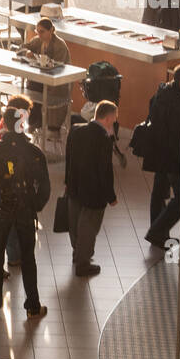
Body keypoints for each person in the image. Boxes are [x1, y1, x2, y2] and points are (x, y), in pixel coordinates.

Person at [0, 105, 51, 318]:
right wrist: (34, 204)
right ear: (23, 123)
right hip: (26, 211)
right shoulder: (34, 152)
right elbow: (44, 187)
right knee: (28, 258)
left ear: (6, 123)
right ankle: (33, 306)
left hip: (2, 211)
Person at [141, 63, 180, 248]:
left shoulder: (163, 93)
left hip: (160, 154)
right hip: (174, 158)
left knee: (158, 194)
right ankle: (157, 231)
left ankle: (158, 233)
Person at [64, 100, 119, 277]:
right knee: (89, 226)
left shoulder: (76, 130)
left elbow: (69, 157)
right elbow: (105, 170)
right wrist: (111, 196)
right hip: (93, 191)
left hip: (75, 185)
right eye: (115, 119)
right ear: (109, 118)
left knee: (74, 221)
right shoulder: (103, 139)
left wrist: (67, 180)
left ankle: (76, 253)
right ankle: (83, 263)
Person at [0, 94, 31, 275]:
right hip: (6, 188)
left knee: (9, 227)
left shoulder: (7, 126)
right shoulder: (6, 136)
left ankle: (14, 256)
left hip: (6, 189)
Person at [18, 17, 72, 131]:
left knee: (36, 88)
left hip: (57, 84)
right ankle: (32, 120)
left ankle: (37, 121)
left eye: (42, 31)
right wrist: (27, 52)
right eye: (38, 32)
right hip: (42, 79)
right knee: (31, 87)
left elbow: (59, 67)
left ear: (51, 30)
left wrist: (40, 60)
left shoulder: (60, 45)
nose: (39, 34)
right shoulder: (38, 41)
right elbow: (22, 48)